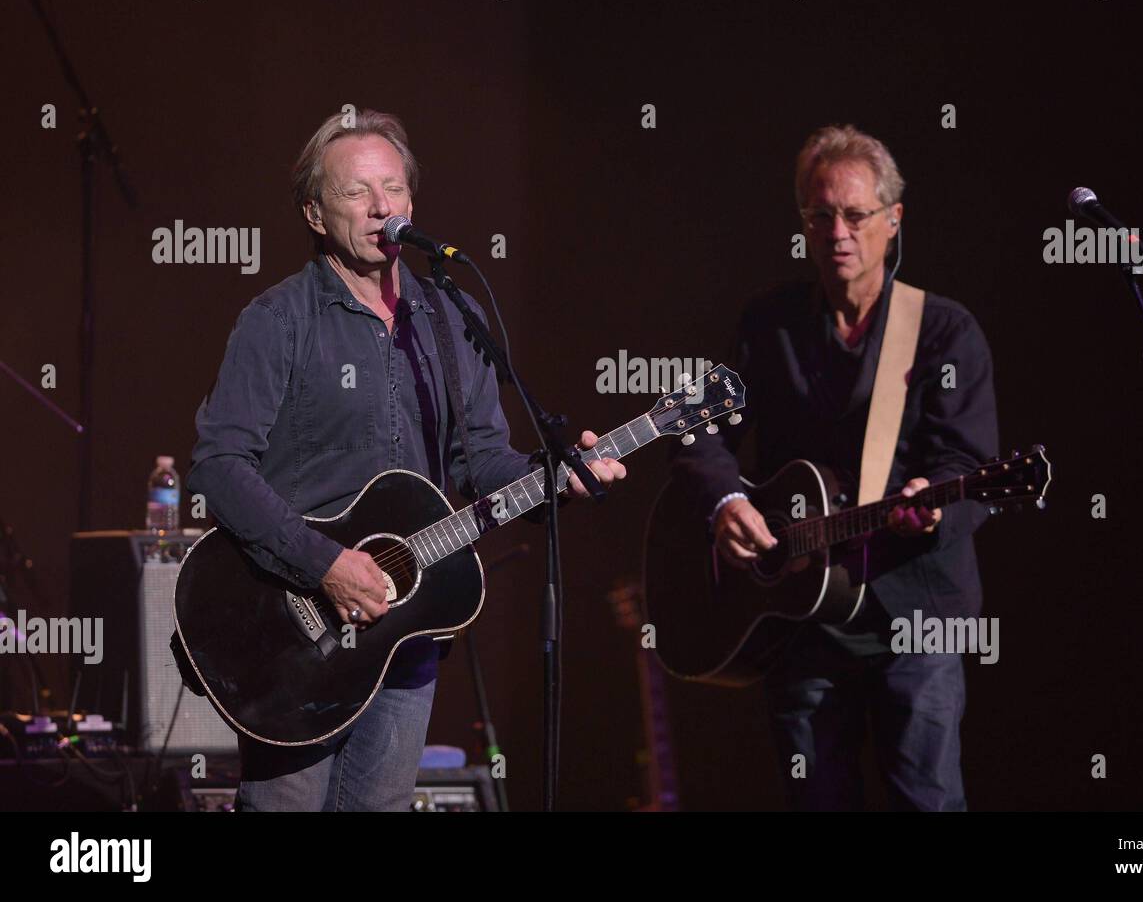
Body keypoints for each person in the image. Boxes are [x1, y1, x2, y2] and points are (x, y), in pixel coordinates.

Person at [188, 108, 626, 810]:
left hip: (406, 629)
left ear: (412, 203)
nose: (380, 206)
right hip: (291, 629)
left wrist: (558, 479)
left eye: (392, 187)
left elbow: (483, 462)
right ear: (314, 213)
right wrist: (325, 565)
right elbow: (218, 465)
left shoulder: (450, 318)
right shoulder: (278, 320)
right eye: (356, 191)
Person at [673, 125, 997, 810]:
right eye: (821, 216)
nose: (838, 233)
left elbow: (971, 463)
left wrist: (933, 503)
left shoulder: (944, 331)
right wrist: (726, 500)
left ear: (894, 219)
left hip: (916, 614)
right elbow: (695, 429)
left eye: (855, 214)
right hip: (800, 618)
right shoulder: (770, 323)